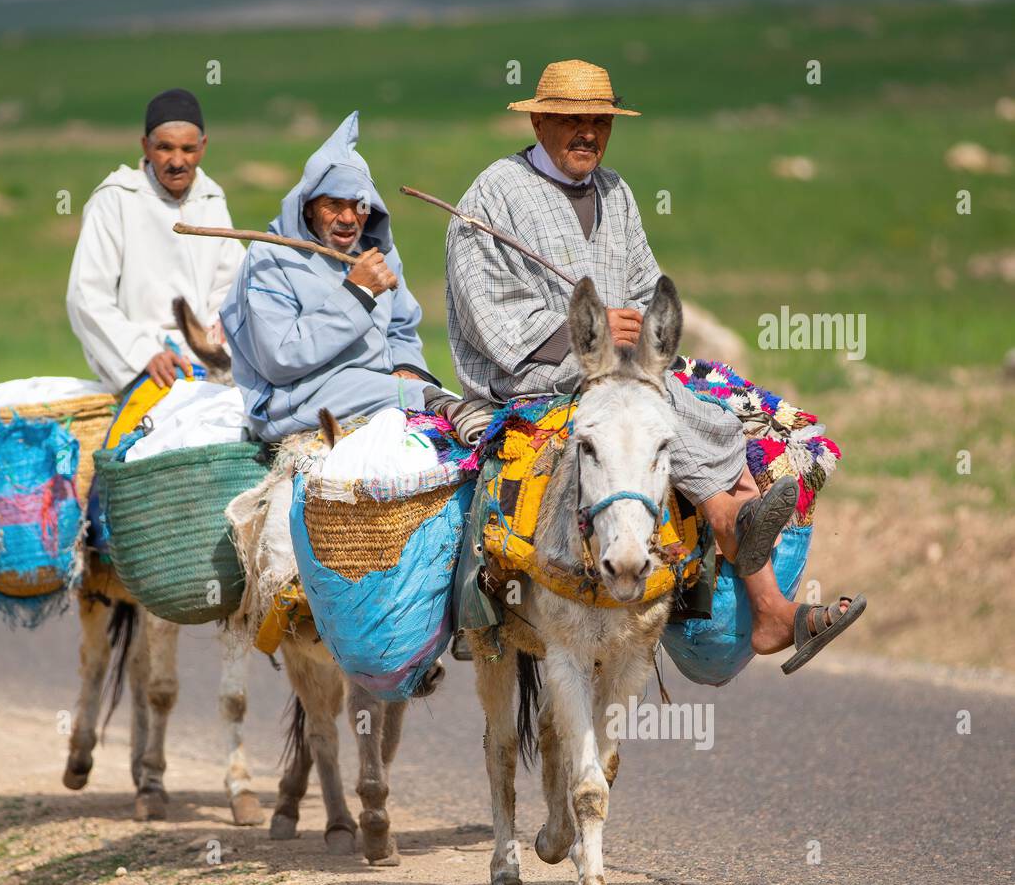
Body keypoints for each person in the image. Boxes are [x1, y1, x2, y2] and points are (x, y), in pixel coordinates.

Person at [446, 60, 864, 667]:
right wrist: (581, 333)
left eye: (599, 120)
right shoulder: (489, 198)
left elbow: (645, 283)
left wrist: (639, 331)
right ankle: (738, 531)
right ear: (539, 120)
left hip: (624, 369)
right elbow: (487, 311)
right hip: (533, 378)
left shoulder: (616, 193)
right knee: (660, 417)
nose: (587, 132)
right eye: (572, 120)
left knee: (710, 418)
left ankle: (765, 600)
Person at [222, 111, 439, 442]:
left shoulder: (376, 253)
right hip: (296, 399)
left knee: (439, 402)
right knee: (436, 403)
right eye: (334, 204)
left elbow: (401, 328)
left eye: (360, 206)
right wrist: (358, 293)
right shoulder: (270, 257)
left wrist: (408, 369)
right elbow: (280, 360)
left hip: (377, 388)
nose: (349, 218)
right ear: (308, 206)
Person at [67, 88, 243, 392]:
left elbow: (229, 284)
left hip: (209, 359)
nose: (177, 161)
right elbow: (87, 296)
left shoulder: (210, 198)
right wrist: (143, 354)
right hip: (144, 362)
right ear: (145, 146)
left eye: (188, 149)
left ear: (203, 146)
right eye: (164, 148)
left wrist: (220, 331)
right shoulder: (116, 199)